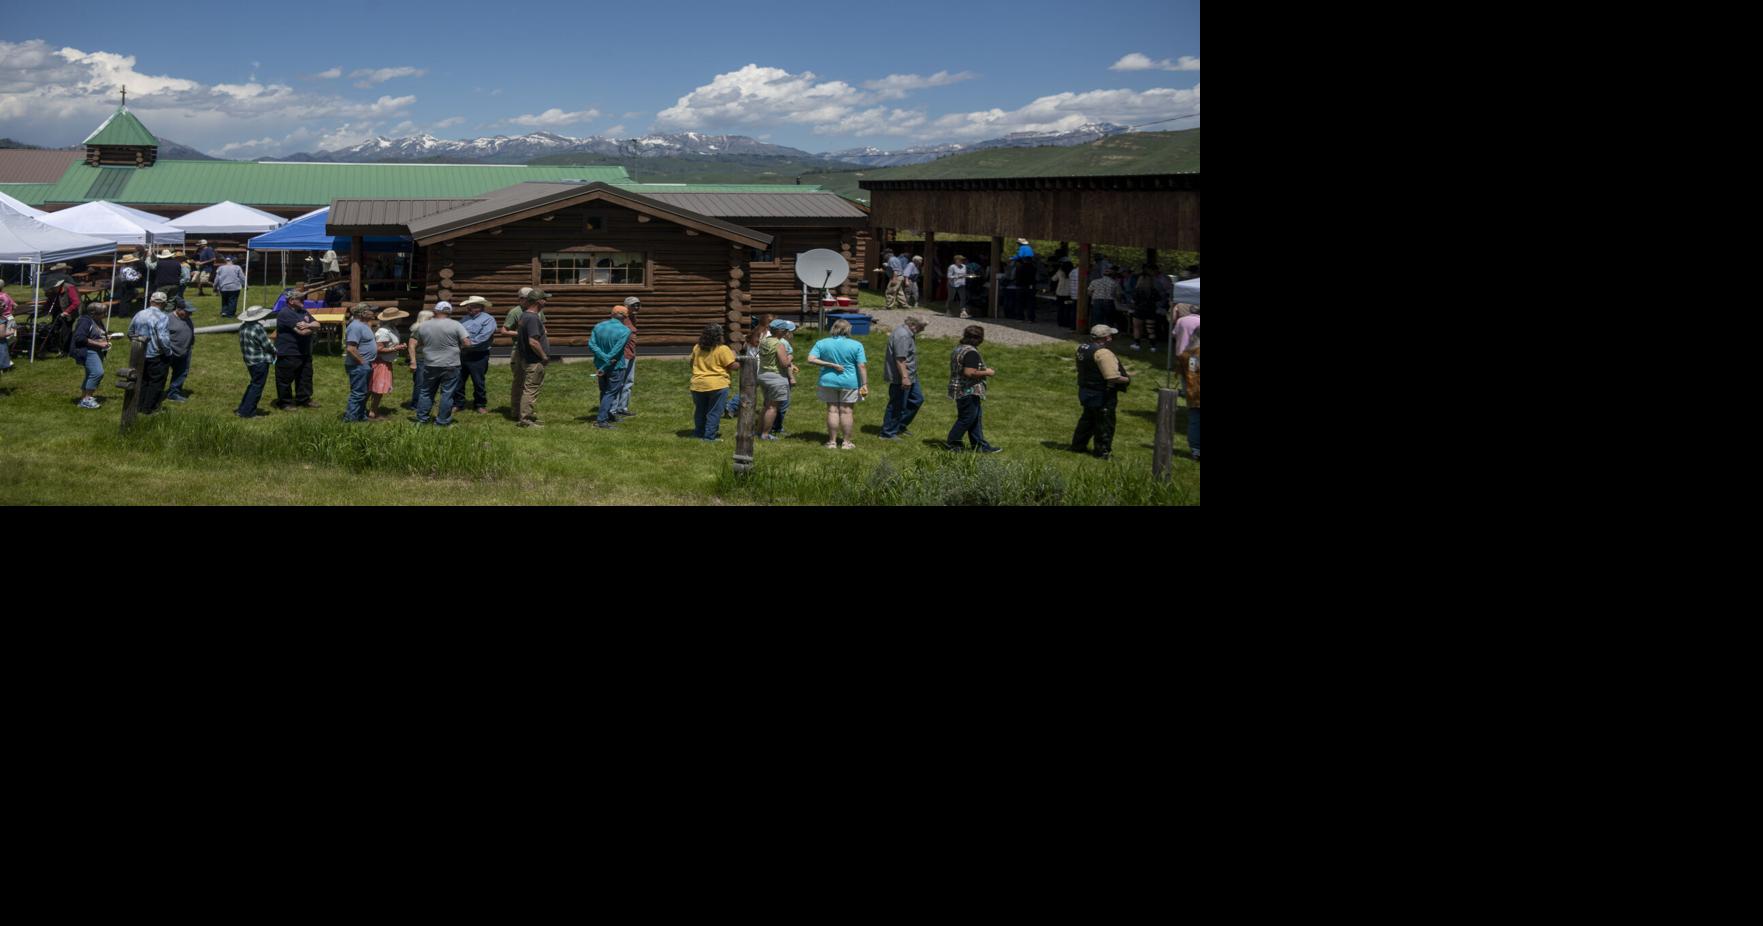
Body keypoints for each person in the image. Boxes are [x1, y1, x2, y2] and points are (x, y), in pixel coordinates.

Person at [1070, 324, 1132, 460]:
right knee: (1105, 424)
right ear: (1107, 338)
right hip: (1102, 393)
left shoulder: (1083, 348)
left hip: (1086, 390)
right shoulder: (1103, 353)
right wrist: (1127, 379)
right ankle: (1102, 452)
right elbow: (1112, 377)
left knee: (1087, 420)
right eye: (1110, 335)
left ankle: (1078, 445)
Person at [806, 317, 868, 450]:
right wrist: (864, 384)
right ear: (848, 330)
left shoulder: (822, 343)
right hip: (850, 382)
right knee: (847, 411)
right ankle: (846, 443)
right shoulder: (856, 345)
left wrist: (831, 364)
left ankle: (832, 442)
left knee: (832, 410)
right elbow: (861, 366)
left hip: (828, 381)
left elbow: (810, 359)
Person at [413, 300, 468, 427]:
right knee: (447, 393)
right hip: (451, 363)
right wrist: (458, 347)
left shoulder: (424, 325)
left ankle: (421, 419)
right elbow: (467, 342)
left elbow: (418, 343)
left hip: (430, 363)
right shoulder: (456, 325)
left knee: (426, 391)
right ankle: (442, 421)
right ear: (449, 312)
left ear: (435, 311)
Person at [946, 324, 1000, 453]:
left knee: (975, 419)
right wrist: (987, 372)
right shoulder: (971, 352)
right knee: (966, 419)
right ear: (978, 339)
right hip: (968, 390)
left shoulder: (959, 348)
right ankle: (952, 443)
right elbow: (969, 372)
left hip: (959, 389)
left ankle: (980, 445)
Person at [687, 323, 737, 441]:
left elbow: (691, 363)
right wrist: (734, 357)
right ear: (719, 336)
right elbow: (733, 366)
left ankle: (699, 433)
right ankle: (709, 437)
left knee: (700, 411)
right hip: (717, 385)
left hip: (698, 384)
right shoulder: (723, 349)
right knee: (714, 412)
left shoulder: (697, 347)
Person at [880, 315, 927, 440]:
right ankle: (888, 433)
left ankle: (899, 426)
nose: (923, 329)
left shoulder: (908, 333)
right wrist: (905, 377)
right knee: (897, 404)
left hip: (911, 375)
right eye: (922, 327)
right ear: (913, 324)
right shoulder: (903, 335)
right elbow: (900, 359)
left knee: (917, 399)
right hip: (901, 376)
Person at [127, 291, 175, 414]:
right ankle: (150, 408)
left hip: (140, 353)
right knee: (156, 382)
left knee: (143, 380)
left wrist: (137, 343)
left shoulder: (139, 314)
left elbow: (130, 332)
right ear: (164, 303)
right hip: (156, 354)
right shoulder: (163, 317)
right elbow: (163, 338)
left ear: (150, 301)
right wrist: (168, 352)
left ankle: (139, 405)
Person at [272, 287, 319, 410]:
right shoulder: (285, 313)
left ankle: (304, 399)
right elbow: (301, 332)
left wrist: (308, 325)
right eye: (300, 298)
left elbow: (318, 324)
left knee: (305, 377)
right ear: (291, 301)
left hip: (304, 351)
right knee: (285, 379)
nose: (303, 300)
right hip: (288, 351)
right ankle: (285, 402)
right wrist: (312, 329)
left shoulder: (303, 311)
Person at [449, 295, 496, 415]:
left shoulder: (488, 320)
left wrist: (467, 344)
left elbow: (484, 336)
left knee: (478, 381)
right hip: (462, 354)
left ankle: (480, 404)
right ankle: (458, 403)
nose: (469, 308)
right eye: (468, 306)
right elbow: (457, 332)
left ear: (481, 307)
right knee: (459, 379)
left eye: (473, 306)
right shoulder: (464, 319)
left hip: (478, 355)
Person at [590, 303, 633, 429]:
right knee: (611, 392)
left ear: (611, 314)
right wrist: (608, 360)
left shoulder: (598, 326)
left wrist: (603, 359)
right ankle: (601, 420)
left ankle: (607, 414)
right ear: (625, 317)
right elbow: (617, 350)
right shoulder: (625, 331)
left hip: (600, 365)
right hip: (615, 365)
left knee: (604, 391)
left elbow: (592, 345)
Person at [513, 290, 551, 427]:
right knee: (531, 389)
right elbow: (533, 342)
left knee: (524, 387)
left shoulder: (524, 315)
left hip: (526, 358)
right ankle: (525, 419)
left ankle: (521, 415)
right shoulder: (533, 318)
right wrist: (544, 356)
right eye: (544, 299)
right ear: (538, 301)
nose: (546, 301)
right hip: (534, 360)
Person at [502, 287, 539, 420]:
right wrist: (521, 333)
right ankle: (516, 411)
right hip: (519, 350)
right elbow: (504, 330)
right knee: (519, 382)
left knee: (531, 383)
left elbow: (542, 327)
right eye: (528, 298)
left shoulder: (537, 311)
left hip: (533, 350)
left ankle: (526, 411)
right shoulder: (515, 312)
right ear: (521, 299)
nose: (530, 301)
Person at [757, 318, 798, 440]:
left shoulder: (764, 341)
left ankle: (758, 431)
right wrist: (790, 357)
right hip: (776, 377)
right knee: (772, 407)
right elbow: (784, 363)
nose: (786, 332)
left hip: (763, 375)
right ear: (779, 331)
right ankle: (765, 434)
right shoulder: (779, 344)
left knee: (766, 406)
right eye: (785, 330)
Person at [235, 304, 274, 418]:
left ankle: (243, 409)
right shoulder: (258, 328)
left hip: (249, 360)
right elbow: (267, 345)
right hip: (259, 361)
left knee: (253, 384)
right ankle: (248, 412)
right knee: (257, 387)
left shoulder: (243, 327)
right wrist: (276, 351)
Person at [69, 303, 110, 409]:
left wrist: (107, 338)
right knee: (97, 373)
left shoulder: (97, 320)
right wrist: (99, 344)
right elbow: (79, 338)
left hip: (96, 351)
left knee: (90, 374)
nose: (105, 315)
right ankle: (87, 399)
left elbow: (95, 335)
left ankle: (83, 399)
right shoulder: (85, 321)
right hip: (88, 351)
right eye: (103, 313)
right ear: (93, 313)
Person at [342, 304, 379, 422]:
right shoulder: (355, 327)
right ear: (363, 313)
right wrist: (363, 362)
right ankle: (350, 420)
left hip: (365, 364)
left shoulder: (364, 325)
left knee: (363, 392)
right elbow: (351, 348)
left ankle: (360, 416)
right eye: (371, 311)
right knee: (358, 393)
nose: (374, 313)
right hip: (358, 365)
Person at [369, 307, 408, 419]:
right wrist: (395, 348)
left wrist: (397, 347)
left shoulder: (392, 329)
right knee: (377, 389)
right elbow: (379, 349)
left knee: (378, 389)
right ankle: (372, 411)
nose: (401, 319)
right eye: (399, 317)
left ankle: (372, 410)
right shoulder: (384, 331)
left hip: (386, 361)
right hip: (380, 362)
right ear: (394, 319)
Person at [607, 296, 640, 419]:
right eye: (633, 305)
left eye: (638, 305)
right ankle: (612, 410)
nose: (636, 307)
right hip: (622, 355)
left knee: (629, 382)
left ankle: (622, 408)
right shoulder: (621, 319)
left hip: (631, 353)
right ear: (626, 306)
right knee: (618, 382)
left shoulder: (633, 318)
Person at [402, 307, 436, 410]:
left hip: (429, 359)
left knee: (428, 382)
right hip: (421, 360)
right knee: (420, 383)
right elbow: (411, 346)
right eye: (431, 318)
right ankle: (415, 404)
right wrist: (413, 362)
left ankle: (427, 401)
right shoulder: (418, 330)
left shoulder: (428, 330)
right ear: (425, 319)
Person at [164, 297, 195, 402]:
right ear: (178, 309)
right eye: (187, 312)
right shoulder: (167, 319)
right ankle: (157, 393)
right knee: (162, 373)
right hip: (170, 351)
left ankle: (174, 393)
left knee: (181, 373)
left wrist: (191, 344)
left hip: (185, 351)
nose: (190, 314)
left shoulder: (187, 318)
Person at [1180, 333, 1200, 462]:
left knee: (1195, 420)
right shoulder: (1194, 354)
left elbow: (1185, 374)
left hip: (1192, 392)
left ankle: (1196, 450)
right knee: (1195, 420)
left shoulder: (1187, 354)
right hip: (1195, 391)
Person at [1053, 260, 1077, 329]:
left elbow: (1053, 279)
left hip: (1060, 293)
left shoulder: (1059, 272)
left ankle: (1060, 322)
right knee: (1068, 308)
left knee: (1060, 308)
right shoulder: (1073, 272)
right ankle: (1067, 322)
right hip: (1069, 294)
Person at [0, 283, 15, 373]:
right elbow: (14, 305)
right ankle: (6, 362)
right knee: (10, 341)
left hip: (5, 318)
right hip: (9, 317)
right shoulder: (6, 295)